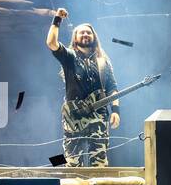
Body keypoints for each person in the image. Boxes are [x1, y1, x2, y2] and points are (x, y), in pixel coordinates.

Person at [47, 8, 120, 166]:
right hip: (74, 116)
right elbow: (51, 43)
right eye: (82, 32)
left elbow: (113, 88)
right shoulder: (69, 57)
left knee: (100, 163)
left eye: (89, 32)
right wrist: (57, 19)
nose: (86, 34)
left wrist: (115, 111)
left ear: (94, 37)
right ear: (75, 38)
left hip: (99, 115)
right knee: (72, 163)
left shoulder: (103, 62)